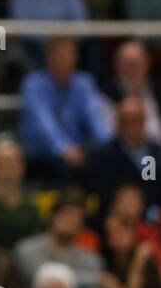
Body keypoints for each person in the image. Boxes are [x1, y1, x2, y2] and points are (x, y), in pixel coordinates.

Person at [17, 37, 111, 183]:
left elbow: (96, 119)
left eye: (69, 55)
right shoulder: (33, 84)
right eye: (60, 56)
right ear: (48, 58)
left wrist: (110, 146)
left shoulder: (84, 82)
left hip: (78, 152)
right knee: (66, 166)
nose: (65, 60)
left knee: (105, 160)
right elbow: (45, 125)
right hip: (42, 156)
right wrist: (64, 149)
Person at [0, 137, 44, 250]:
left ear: (22, 167)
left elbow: (36, 245)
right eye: (0, 163)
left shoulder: (31, 206)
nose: (7, 169)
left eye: (11, 163)